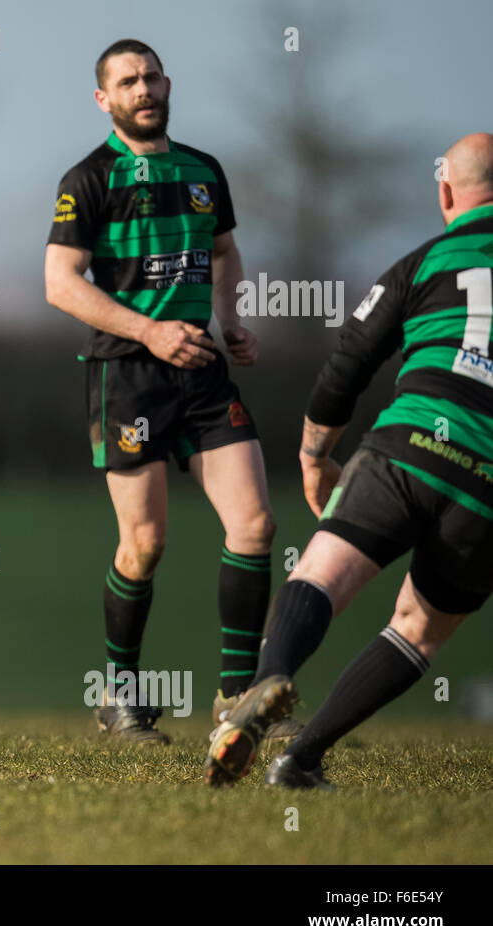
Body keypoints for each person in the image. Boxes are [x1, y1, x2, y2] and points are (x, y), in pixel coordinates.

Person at [205, 132, 493, 789]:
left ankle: (269, 679)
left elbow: (349, 363)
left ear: (446, 192)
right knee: (418, 631)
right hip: (486, 485)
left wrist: (314, 454)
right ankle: (301, 760)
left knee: (323, 573)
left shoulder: (428, 260)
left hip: (408, 446)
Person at [44, 39, 290, 743]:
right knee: (145, 542)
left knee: (256, 525)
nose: (143, 88)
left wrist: (231, 319)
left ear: (168, 83)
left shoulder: (203, 170)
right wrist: (150, 333)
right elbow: (61, 283)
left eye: (151, 76)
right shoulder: (87, 178)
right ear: (104, 99)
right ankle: (119, 693)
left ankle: (237, 701)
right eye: (127, 81)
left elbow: (224, 250)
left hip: (204, 371)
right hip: (128, 376)